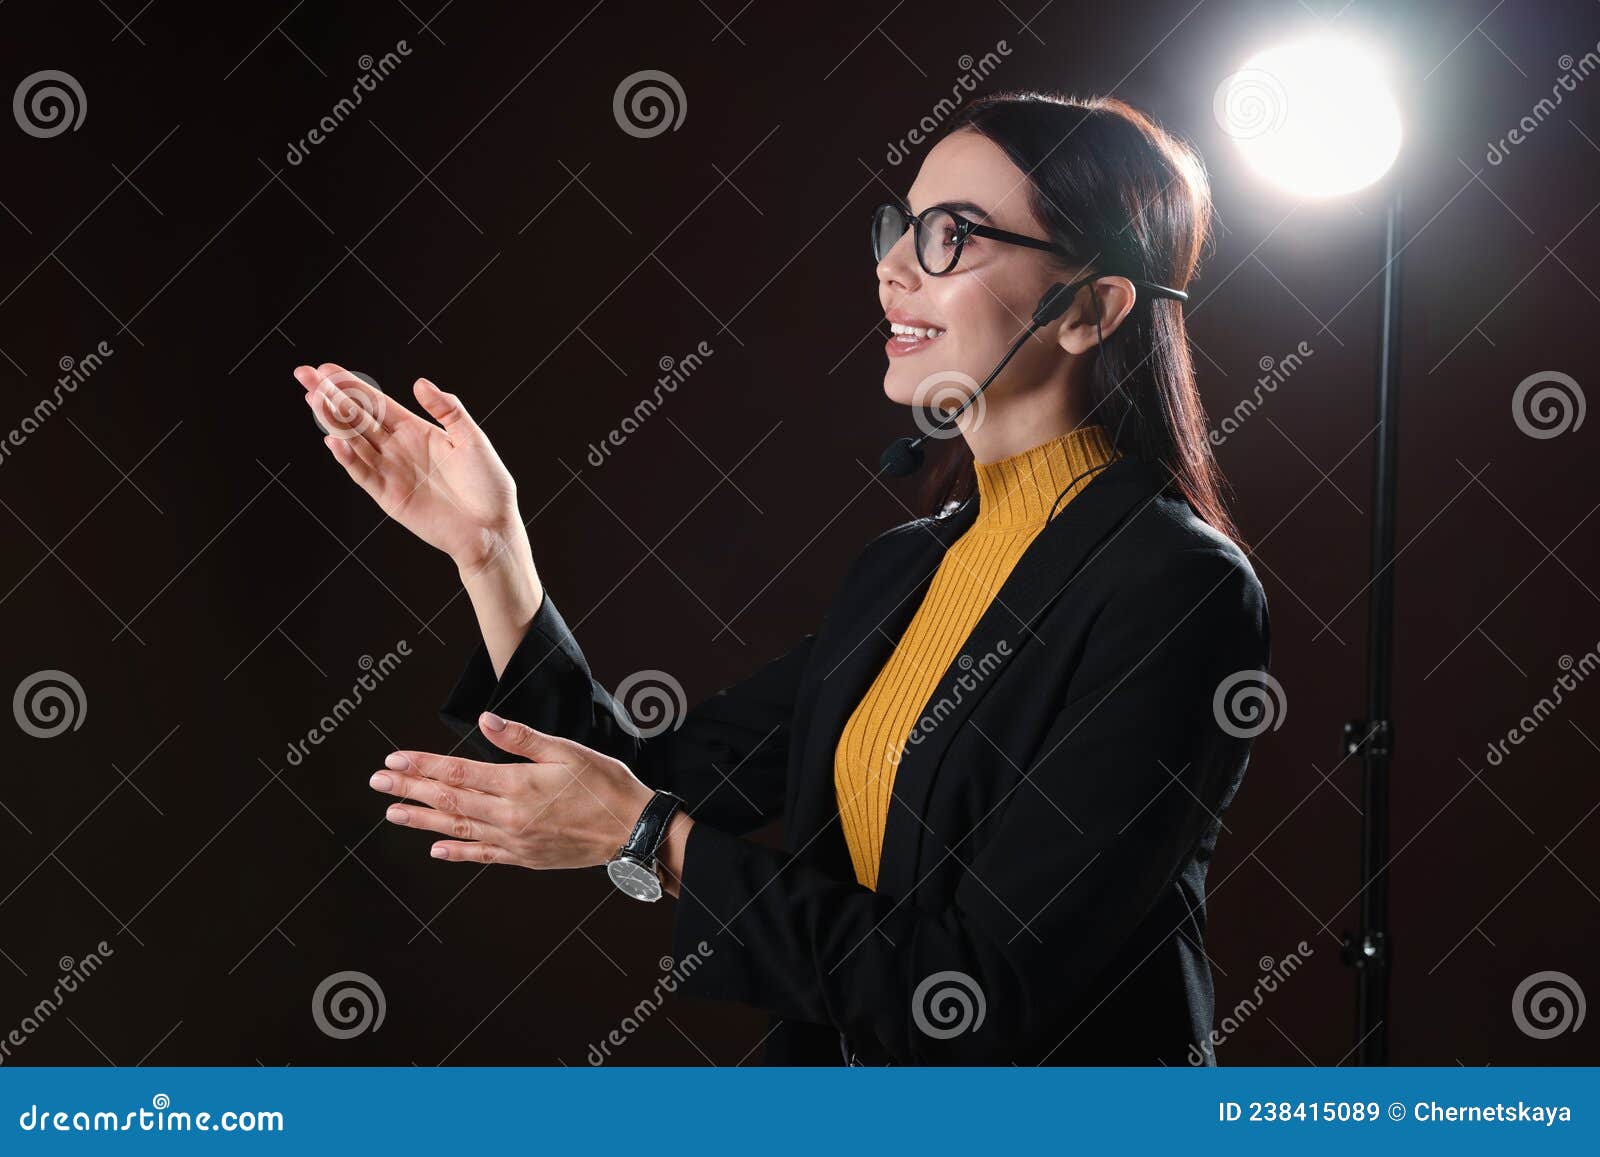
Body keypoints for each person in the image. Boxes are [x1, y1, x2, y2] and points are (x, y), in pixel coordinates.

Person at [293, 91, 1272, 1065]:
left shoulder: (1173, 585)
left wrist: (653, 840)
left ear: (1088, 308)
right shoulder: (909, 566)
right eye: (899, 230)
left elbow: (982, 993)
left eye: (952, 237)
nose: (891, 269)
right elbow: (645, 780)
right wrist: (491, 548)